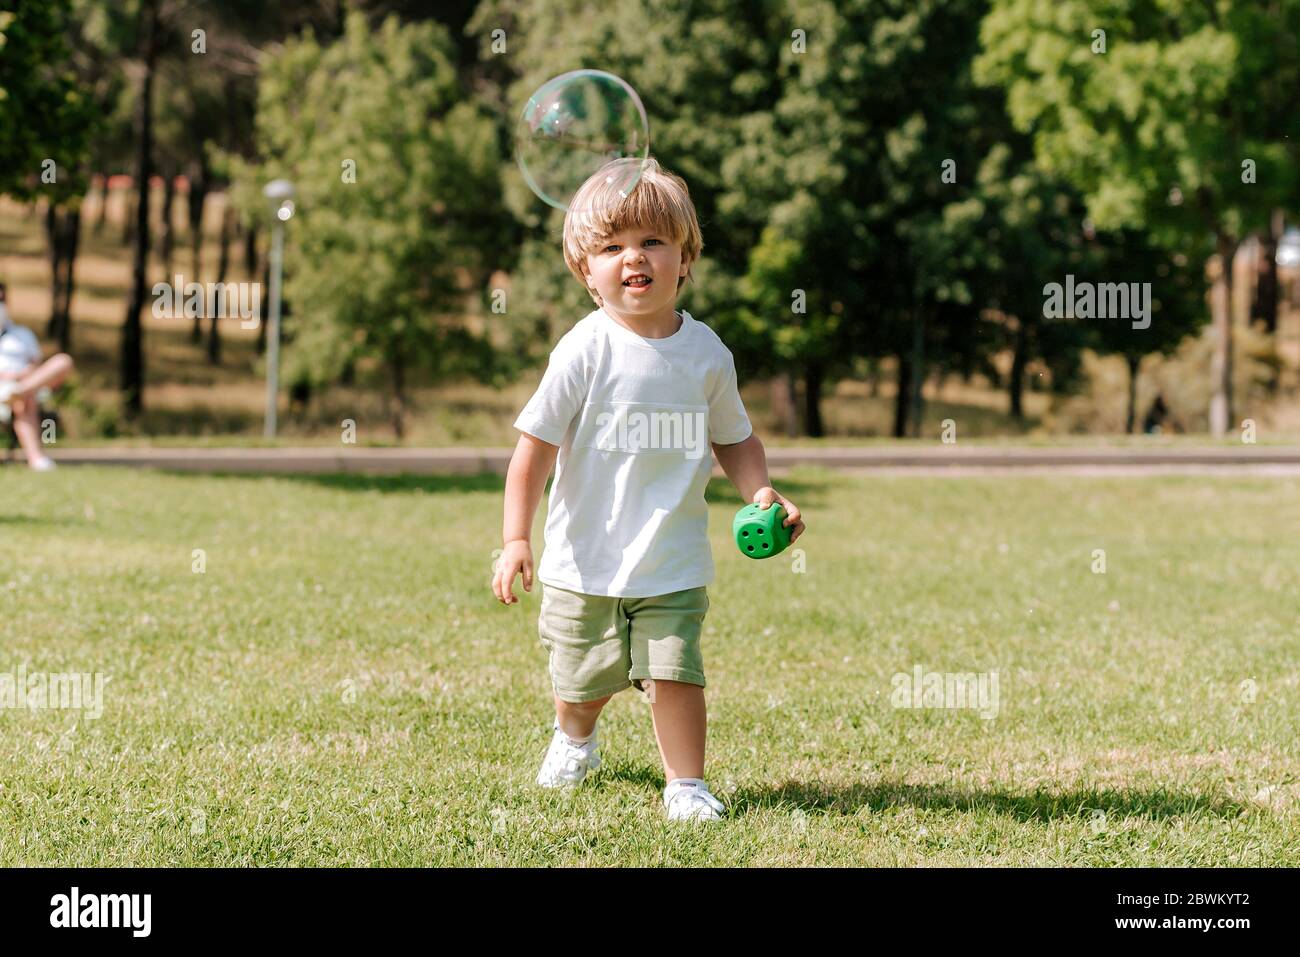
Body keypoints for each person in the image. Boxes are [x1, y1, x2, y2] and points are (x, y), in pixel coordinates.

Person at [491, 158, 806, 822]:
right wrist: (516, 537)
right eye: (610, 247)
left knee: (675, 671)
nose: (632, 257)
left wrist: (762, 491)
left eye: (652, 242)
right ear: (586, 271)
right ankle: (575, 737)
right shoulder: (583, 351)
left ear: (685, 257)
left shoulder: (707, 355)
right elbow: (534, 450)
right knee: (578, 682)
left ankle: (686, 784)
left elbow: (735, 438)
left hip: (671, 559)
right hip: (584, 561)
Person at [0, 282, 74, 471]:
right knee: (25, 401)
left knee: (63, 361)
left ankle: (19, 392)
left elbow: (37, 365)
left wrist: (25, 375)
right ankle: (36, 458)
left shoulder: (23, 334)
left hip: (25, 384)